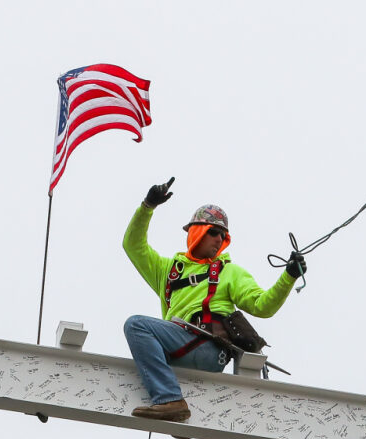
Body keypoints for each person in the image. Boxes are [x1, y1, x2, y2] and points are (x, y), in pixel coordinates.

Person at [122, 177, 305, 423]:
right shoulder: (168, 271)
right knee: (180, 425)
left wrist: (289, 275)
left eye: (223, 235)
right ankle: (175, 408)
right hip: (180, 348)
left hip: (207, 347)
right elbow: (133, 246)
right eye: (214, 232)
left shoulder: (229, 272)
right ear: (197, 232)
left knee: (137, 325)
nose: (219, 239)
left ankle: (168, 399)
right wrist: (148, 206)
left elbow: (263, 306)